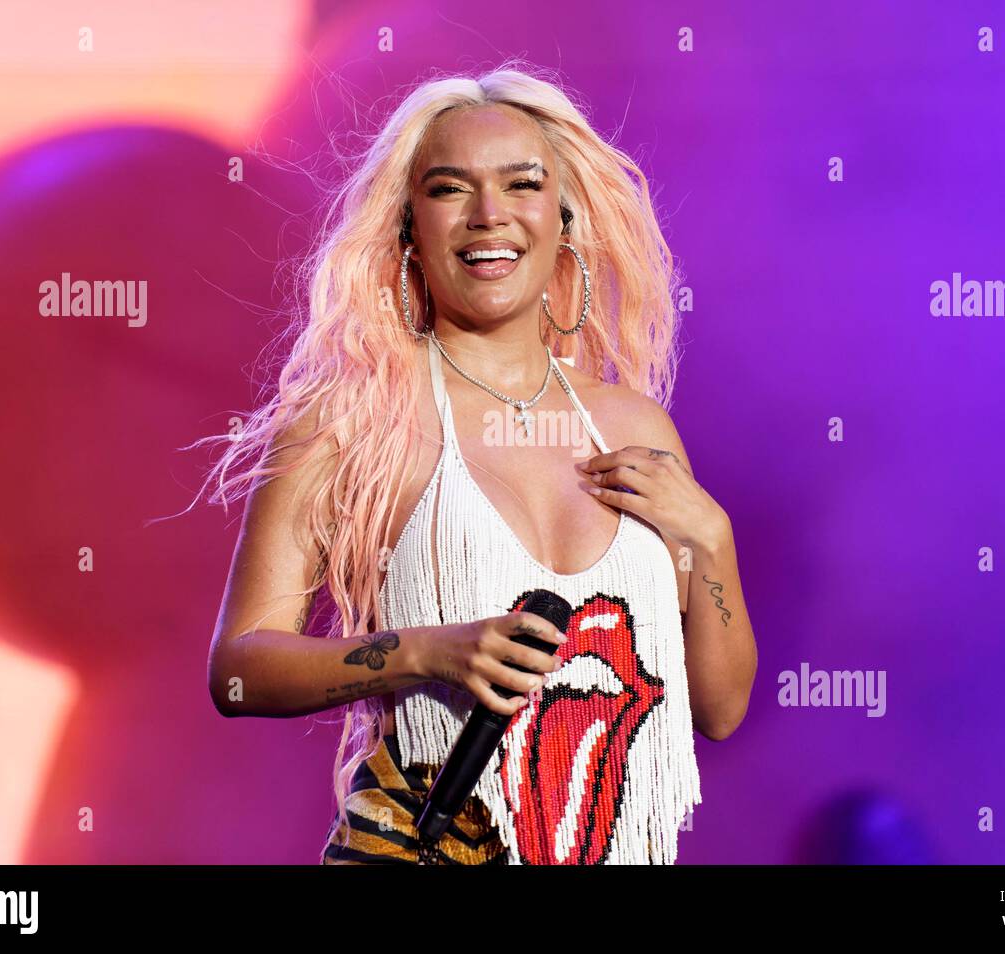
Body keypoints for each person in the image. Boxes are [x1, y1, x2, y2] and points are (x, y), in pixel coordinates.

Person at [204, 62, 757, 865]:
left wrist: (713, 538)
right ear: (406, 227)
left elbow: (722, 708)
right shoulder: (351, 421)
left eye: (522, 184)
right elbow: (239, 673)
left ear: (563, 217)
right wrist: (426, 652)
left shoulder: (634, 427)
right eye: (450, 189)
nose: (489, 215)